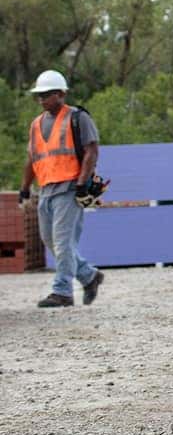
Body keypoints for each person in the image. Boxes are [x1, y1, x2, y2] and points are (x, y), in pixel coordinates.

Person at [20, 70, 105, 308]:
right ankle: (89, 276)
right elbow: (32, 158)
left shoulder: (78, 117)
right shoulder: (36, 124)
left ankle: (62, 291)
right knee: (50, 239)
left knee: (63, 241)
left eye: (47, 95)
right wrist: (24, 188)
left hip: (69, 187)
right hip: (45, 189)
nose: (42, 99)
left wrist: (81, 185)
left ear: (61, 94)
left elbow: (91, 151)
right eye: (39, 95)